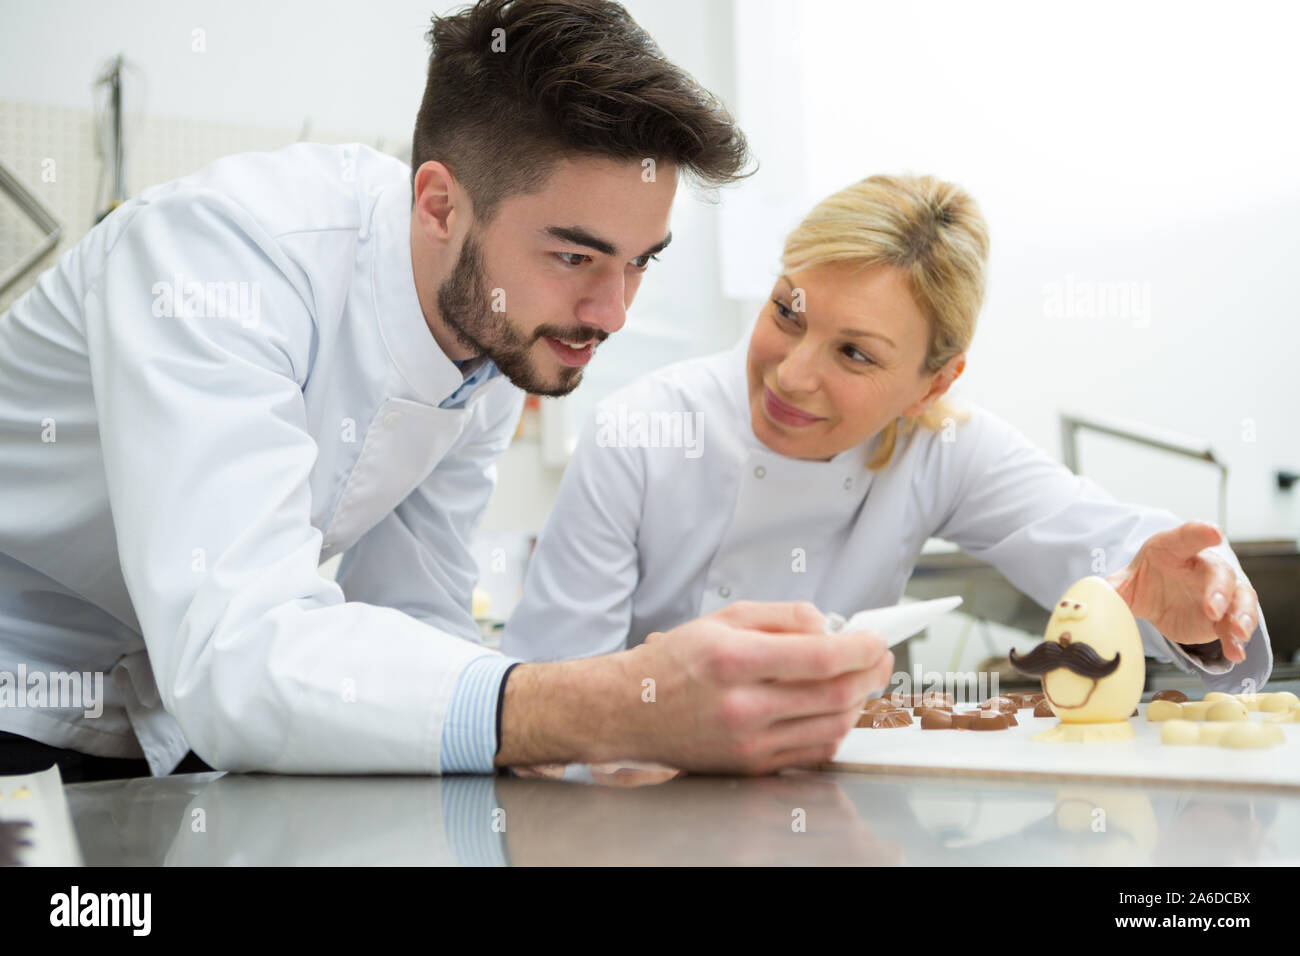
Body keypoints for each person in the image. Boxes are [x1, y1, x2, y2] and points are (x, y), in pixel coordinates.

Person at [0, 0, 890, 781]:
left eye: (639, 264)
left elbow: (411, 618)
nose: (611, 314)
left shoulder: (499, 329)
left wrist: (596, 751)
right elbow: (239, 652)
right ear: (438, 205)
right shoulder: (214, 256)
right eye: (575, 256)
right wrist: (611, 703)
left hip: (175, 725)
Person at [503, 173, 1272, 697]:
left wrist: (1196, 612)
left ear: (934, 383)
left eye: (855, 353)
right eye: (787, 313)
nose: (791, 375)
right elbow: (545, 700)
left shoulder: (941, 447)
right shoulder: (643, 432)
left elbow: (1113, 553)